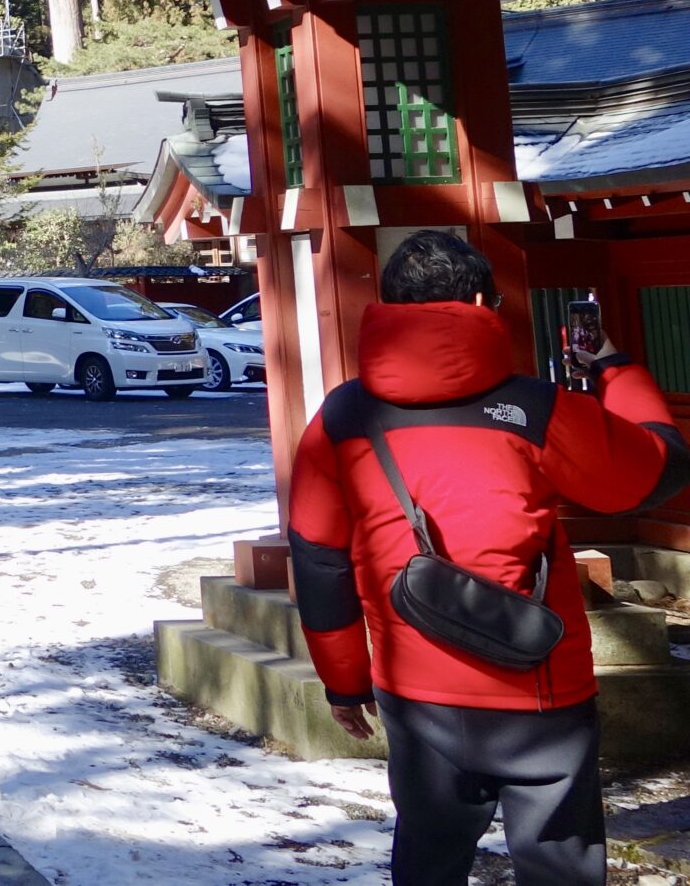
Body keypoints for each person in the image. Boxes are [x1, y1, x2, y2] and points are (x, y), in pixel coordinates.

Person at [290, 230, 690, 885]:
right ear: (480, 299)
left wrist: (344, 679)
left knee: (428, 857)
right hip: (541, 688)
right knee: (560, 863)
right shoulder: (534, 407)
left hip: (416, 690)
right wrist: (616, 369)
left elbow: (318, 555)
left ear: (389, 306)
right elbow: (655, 469)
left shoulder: (343, 416)